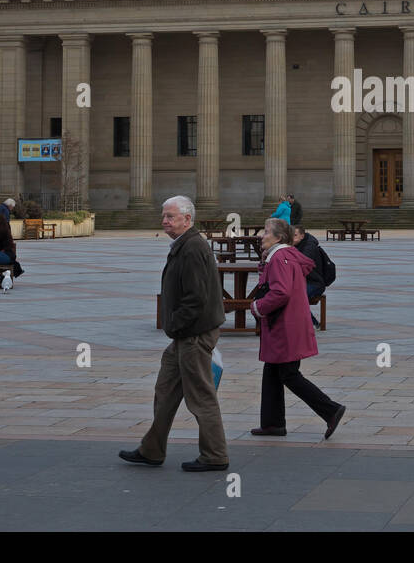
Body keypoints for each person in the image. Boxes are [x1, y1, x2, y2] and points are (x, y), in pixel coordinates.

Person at [120, 196, 229, 472]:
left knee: (201, 396)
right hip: (184, 335)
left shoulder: (193, 248)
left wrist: (175, 324)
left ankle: (215, 454)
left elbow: (196, 298)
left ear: (187, 220)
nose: (164, 220)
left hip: (193, 335)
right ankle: (151, 450)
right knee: (165, 391)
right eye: (164, 215)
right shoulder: (185, 245)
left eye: (170, 216)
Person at [249, 217, 345, 439]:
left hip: (285, 325)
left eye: (265, 232)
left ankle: (330, 410)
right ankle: (272, 423)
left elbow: (280, 292)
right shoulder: (282, 256)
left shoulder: (281, 257)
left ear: (279, 237)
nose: (261, 236)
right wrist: (264, 263)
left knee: (289, 374)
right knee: (272, 371)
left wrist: (258, 307)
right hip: (286, 323)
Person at [291, 224, 336, 328]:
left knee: (295, 297)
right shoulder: (296, 245)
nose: (291, 238)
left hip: (315, 283)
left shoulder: (309, 247)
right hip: (301, 282)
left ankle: (312, 323)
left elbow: (299, 263)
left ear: (302, 236)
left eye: (295, 235)